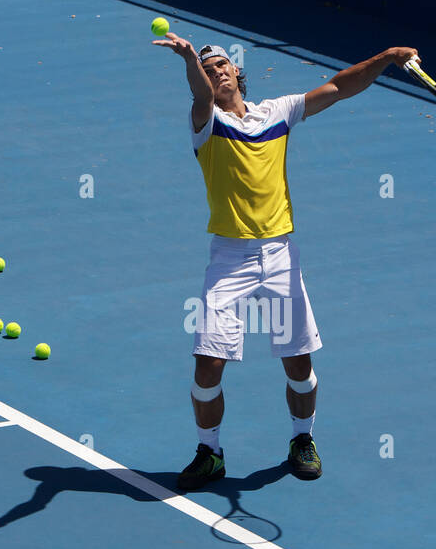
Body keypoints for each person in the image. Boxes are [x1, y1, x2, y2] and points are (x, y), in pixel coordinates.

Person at [152, 33, 418, 491]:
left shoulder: (277, 112)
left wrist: (388, 58)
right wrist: (189, 56)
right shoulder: (205, 120)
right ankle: (209, 451)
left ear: (238, 74)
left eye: (222, 64)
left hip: (279, 255)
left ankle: (302, 441)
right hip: (229, 257)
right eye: (207, 66)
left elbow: (338, 87)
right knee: (207, 365)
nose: (215, 69)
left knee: (298, 363)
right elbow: (197, 90)